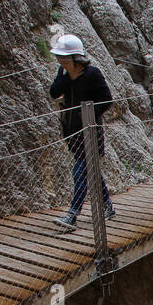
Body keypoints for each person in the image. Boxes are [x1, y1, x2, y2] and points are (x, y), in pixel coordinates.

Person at [48, 33, 115, 228]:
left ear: (75, 57)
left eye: (63, 57)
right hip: (73, 134)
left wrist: (88, 115)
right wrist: (69, 78)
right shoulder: (64, 74)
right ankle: (108, 206)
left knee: (80, 172)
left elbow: (106, 99)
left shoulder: (92, 73)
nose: (60, 60)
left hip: (90, 133)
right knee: (91, 170)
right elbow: (54, 92)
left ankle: (72, 214)